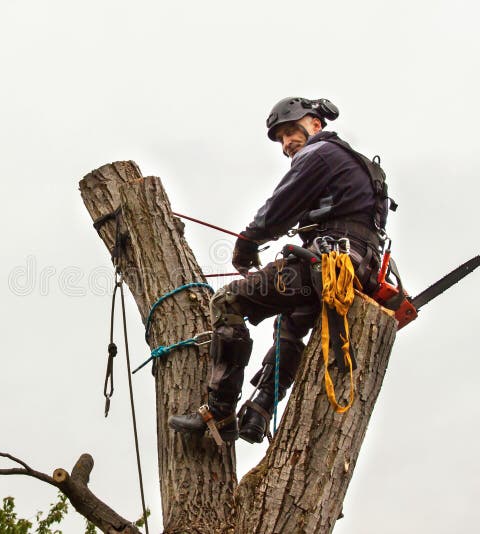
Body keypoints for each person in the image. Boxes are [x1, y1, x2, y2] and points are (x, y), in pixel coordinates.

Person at [168, 97, 392, 443]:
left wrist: (246, 243)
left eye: (291, 131)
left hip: (332, 265)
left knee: (227, 302)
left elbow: (278, 209)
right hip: (347, 270)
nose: (287, 143)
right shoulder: (351, 163)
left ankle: (220, 410)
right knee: (289, 325)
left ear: (316, 123)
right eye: (281, 139)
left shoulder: (319, 154)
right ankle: (259, 411)